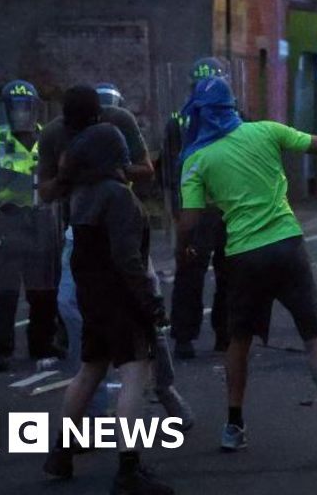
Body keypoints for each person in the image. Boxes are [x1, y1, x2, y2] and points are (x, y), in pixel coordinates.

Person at [176, 76, 317, 457]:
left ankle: (233, 424)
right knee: (314, 336)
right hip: (287, 245)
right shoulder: (265, 131)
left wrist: (184, 248)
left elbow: (190, 219)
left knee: (239, 341)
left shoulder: (196, 160)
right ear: (233, 108)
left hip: (244, 256)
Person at [38, 85, 193, 427]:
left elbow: (142, 169)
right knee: (74, 309)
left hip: (107, 222)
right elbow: (46, 189)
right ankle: (97, 433)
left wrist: (108, 172)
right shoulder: (55, 135)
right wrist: (70, 177)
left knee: (143, 318)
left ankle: (164, 388)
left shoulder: (116, 126)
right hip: (82, 228)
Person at [43, 110, 174, 495]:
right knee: (135, 374)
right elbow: (128, 260)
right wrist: (150, 303)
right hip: (121, 300)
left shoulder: (81, 197)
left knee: (89, 370)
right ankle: (129, 468)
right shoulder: (119, 197)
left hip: (92, 299)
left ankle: (61, 453)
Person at [0, 79, 61, 372]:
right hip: (7, 219)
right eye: (16, 107)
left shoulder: (47, 137)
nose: (22, 113)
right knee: (5, 289)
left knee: (43, 289)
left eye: (27, 107)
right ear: (5, 110)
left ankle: (42, 343)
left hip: (41, 218)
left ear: (36, 109)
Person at [163, 57, 230, 358]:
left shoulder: (234, 118)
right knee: (196, 272)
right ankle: (191, 336)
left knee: (224, 274)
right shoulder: (181, 121)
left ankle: (212, 335)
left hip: (219, 208)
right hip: (205, 208)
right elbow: (169, 168)